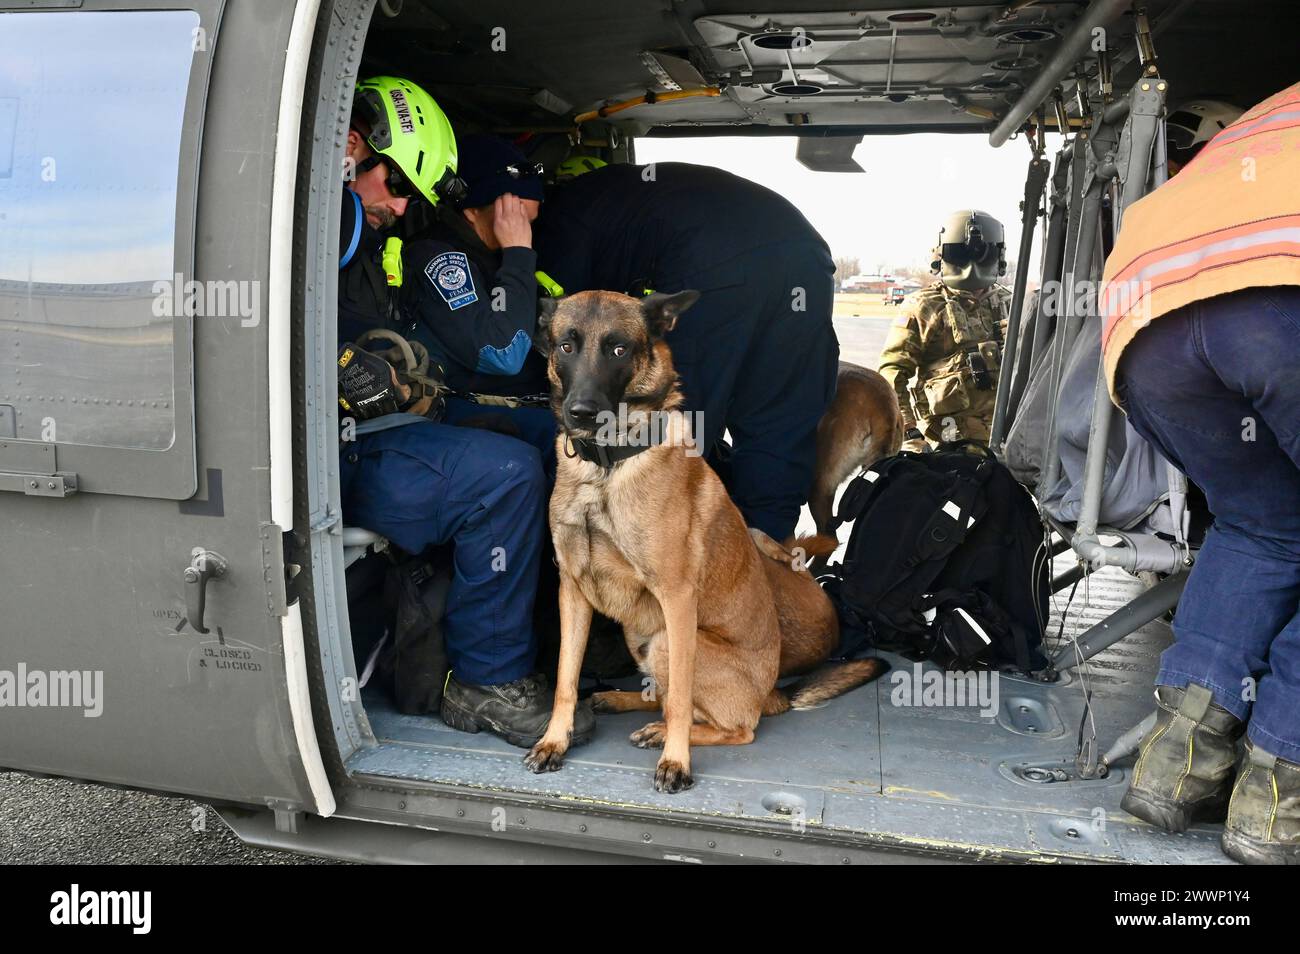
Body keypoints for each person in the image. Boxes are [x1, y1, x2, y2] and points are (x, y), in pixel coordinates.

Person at [337, 76, 591, 748]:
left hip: (394, 426)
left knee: (563, 446)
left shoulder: (371, 240)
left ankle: (565, 633)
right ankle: (485, 682)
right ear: (350, 148)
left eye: (407, 196)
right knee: (503, 472)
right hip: (337, 448)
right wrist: (517, 251)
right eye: (392, 186)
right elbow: (502, 352)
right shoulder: (336, 217)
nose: (396, 206)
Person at [1102, 84, 1295, 864]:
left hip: (1151, 306)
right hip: (1281, 292)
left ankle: (1177, 764)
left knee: (1264, 525)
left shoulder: (1272, 110)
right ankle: (1278, 794)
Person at [535, 161, 838, 542]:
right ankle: (765, 561)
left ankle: (659, 572)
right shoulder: (620, 193)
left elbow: (572, 329)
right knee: (778, 424)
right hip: (806, 256)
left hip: (714, 264)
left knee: (675, 429)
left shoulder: (559, 218)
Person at [398, 135, 557, 472]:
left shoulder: (493, 255)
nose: (525, 231)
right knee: (569, 443)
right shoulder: (440, 258)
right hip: (448, 406)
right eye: (515, 218)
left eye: (529, 221)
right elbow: (502, 353)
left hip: (513, 397)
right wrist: (517, 254)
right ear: (471, 211)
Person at [878, 210, 1011, 453]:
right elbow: (892, 373)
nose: (971, 264)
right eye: (960, 253)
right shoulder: (924, 306)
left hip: (1006, 439)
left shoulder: (1011, 305)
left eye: (981, 253)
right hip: (947, 442)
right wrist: (909, 433)